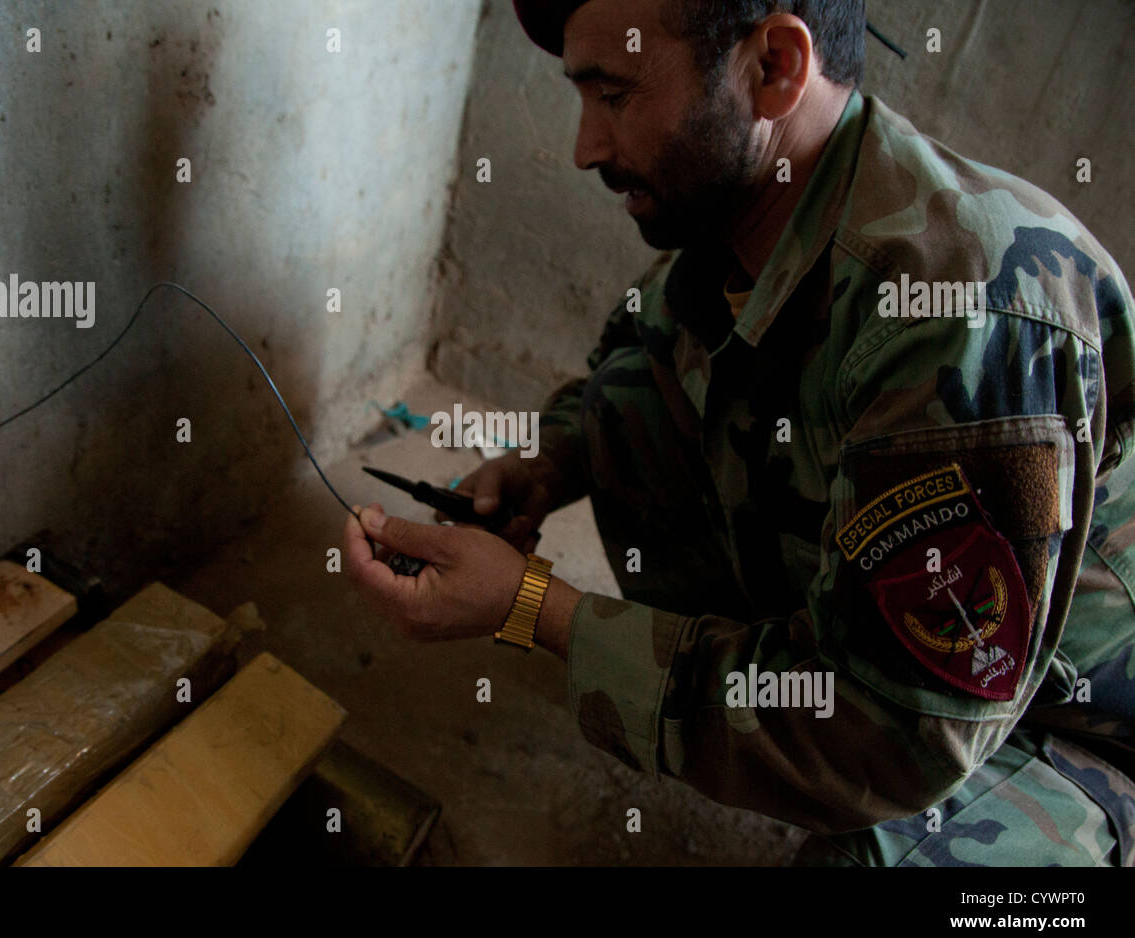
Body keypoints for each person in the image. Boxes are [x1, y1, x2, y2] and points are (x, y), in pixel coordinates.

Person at [341, 0, 1135, 865]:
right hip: (971, 686)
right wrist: (545, 463)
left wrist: (533, 608)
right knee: (626, 405)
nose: (585, 148)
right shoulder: (747, 223)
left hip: (1083, 726)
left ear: (774, 68)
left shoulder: (957, 308)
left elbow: (890, 739)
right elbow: (638, 363)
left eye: (613, 94)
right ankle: (748, 705)